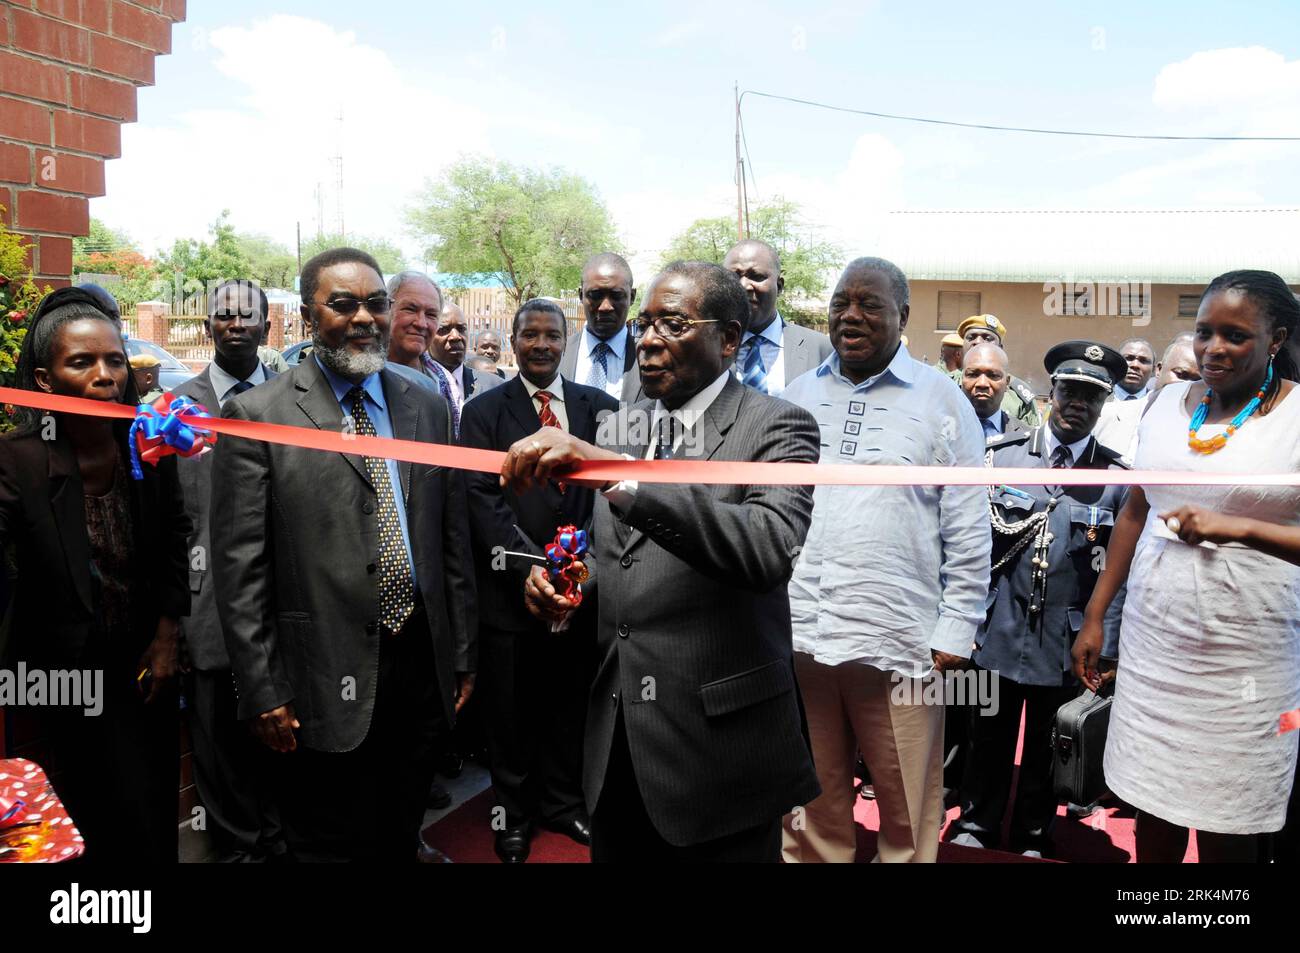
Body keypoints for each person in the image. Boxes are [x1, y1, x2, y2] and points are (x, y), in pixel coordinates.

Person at [511, 260, 821, 862]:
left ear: (729, 339)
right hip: (618, 734)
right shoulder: (621, 426)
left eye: (673, 324)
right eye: (646, 322)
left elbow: (765, 549)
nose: (648, 338)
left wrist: (619, 478)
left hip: (720, 747)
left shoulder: (778, 427)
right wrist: (570, 583)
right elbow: (617, 554)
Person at [211, 247, 477, 862]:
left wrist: (461, 653)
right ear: (308, 317)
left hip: (417, 662)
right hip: (317, 675)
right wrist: (262, 689)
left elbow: (452, 542)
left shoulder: (427, 409)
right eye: (343, 304)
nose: (364, 317)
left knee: (399, 829)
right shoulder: (257, 414)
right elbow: (239, 567)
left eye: (376, 303)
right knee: (327, 842)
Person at [1073, 270, 1300, 863]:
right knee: (1153, 806)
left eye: (1235, 335)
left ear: (1276, 338)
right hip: (1157, 648)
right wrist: (1097, 614)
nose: (1213, 349)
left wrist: (1238, 529)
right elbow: (1135, 511)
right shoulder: (1169, 403)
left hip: (1247, 659)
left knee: (1229, 819)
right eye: (1204, 333)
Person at [779, 257, 990, 864]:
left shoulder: (941, 399)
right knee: (813, 793)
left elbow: (969, 522)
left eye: (869, 304)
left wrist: (958, 623)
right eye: (841, 301)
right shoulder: (799, 395)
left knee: (905, 803)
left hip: (900, 633)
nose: (851, 315)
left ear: (904, 315)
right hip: (806, 627)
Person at [0, 287, 190, 861]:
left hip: (144, 661)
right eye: (81, 363)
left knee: (153, 807)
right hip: (67, 672)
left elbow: (176, 541)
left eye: (114, 360)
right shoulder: (19, 461)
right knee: (91, 811)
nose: (105, 376)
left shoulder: (147, 447)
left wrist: (165, 637)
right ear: (43, 379)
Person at [949, 341, 1129, 858]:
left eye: (1092, 398)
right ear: (1052, 392)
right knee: (987, 735)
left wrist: (1108, 645)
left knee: (1052, 747)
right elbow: (964, 546)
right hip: (997, 627)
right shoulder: (1000, 458)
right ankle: (978, 825)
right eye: (1070, 391)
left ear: (1103, 406)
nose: (1078, 404)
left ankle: (1033, 831)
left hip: (1068, 638)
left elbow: (1118, 577)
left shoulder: (1117, 480)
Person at [460, 298, 618, 862]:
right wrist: (533, 570)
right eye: (531, 335)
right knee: (510, 714)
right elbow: (481, 503)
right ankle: (513, 816)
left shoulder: (601, 408)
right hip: (512, 595)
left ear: (566, 341)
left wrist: (582, 577)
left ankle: (564, 804)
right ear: (513, 340)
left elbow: (613, 496)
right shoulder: (482, 414)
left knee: (570, 706)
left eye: (554, 335)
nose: (543, 345)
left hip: (583, 596)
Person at [174, 278, 283, 862]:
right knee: (222, 755)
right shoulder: (173, 411)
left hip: (290, 604)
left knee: (288, 749)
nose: (236, 324)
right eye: (223, 315)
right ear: (207, 326)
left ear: (268, 327)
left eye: (249, 316)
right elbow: (169, 520)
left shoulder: (298, 401)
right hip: (210, 609)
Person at [722, 238, 832, 397]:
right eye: (734, 276)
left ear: (779, 286)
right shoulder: (707, 346)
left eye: (756, 276)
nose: (744, 286)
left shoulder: (822, 350)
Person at [1094, 334, 1198, 463]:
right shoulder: (1104, 414)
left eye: (1198, 380)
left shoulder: (1204, 429)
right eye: (1181, 374)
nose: (1187, 385)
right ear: (1159, 370)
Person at [559, 253, 638, 401]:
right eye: (595, 295)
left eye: (616, 295)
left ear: (632, 297)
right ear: (581, 295)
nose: (605, 307)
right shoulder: (557, 354)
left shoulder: (648, 359)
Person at [950, 314, 1040, 427]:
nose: (977, 342)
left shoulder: (1019, 396)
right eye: (971, 337)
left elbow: (1029, 438)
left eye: (987, 338)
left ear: (1000, 348)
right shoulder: (944, 386)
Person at [426, 298, 502, 426]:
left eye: (461, 329)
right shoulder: (413, 384)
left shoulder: (495, 386)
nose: (455, 336)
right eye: (444, 329)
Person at [960, 342, 1016, 442]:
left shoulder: (1025, 438)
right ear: (961, 379)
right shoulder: (939, 432)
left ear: (1007, 383)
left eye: (993, 375)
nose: (982, 383)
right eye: (973, 374)